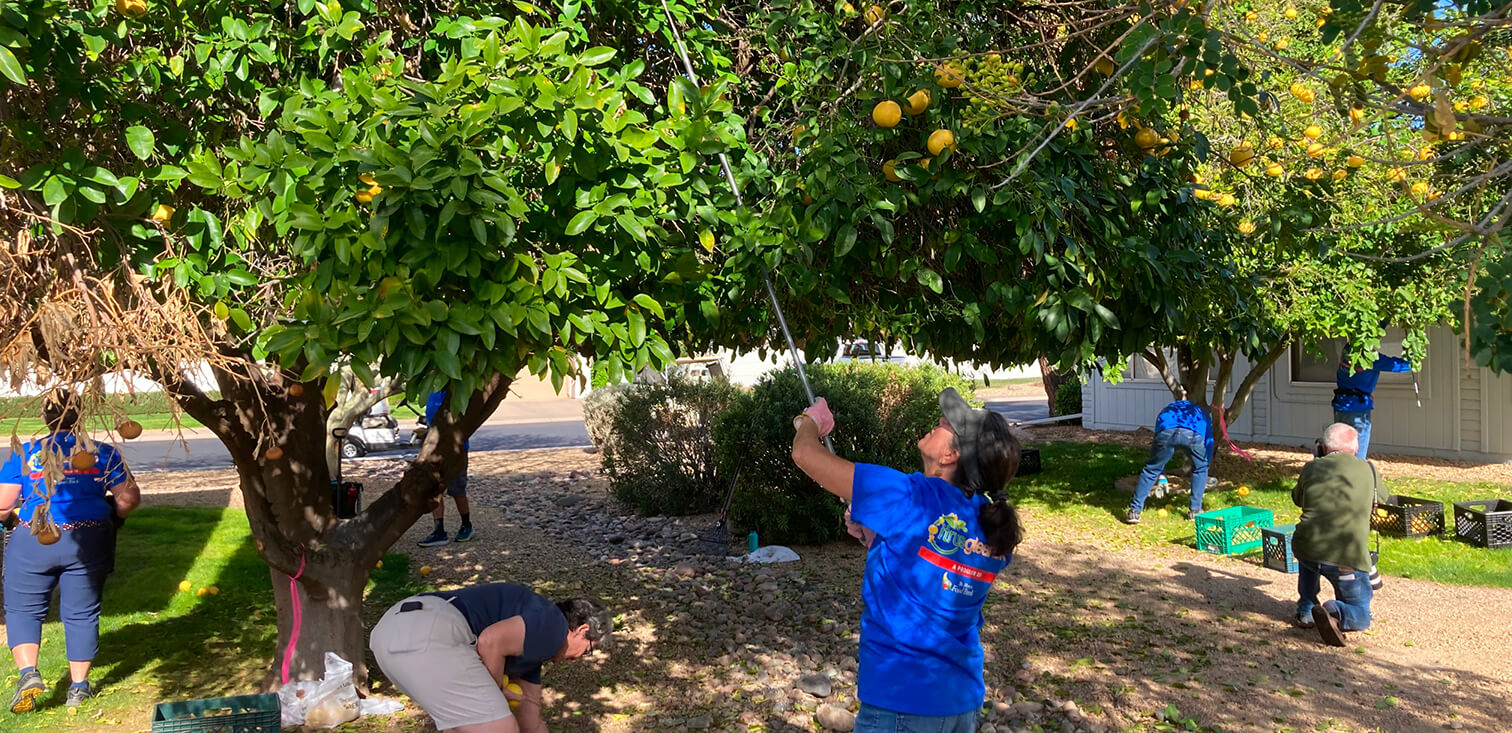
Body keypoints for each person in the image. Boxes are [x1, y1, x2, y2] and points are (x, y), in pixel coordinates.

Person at [790, 388, 1022, 732]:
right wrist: (876, 536)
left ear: (951, 455)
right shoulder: (990, 527)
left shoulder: (910, 496)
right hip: (961, 703)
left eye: (949, 424)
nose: (940, 420)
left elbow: (805, 454)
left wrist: (810, 422)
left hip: (902, 700)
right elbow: (934, 573)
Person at [0, 392, 139, 712]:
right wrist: (114, 516)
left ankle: (28, 674)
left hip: (35, 538)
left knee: (23, 609)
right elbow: (128, 497)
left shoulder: (26, 453)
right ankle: (78, 688)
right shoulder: (102, 452)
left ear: (44, 418)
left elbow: (4, 505)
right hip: (88, 539)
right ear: (81, 416)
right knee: (82, 612)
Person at [369, 582, 610, 733]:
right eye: (588, 650)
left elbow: (531, 722)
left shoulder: (532, 650)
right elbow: (490, 641)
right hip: (425, 632)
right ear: (582, 630)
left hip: (390, 636)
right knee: (500, 727)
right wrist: (495, 691)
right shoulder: (552, 626)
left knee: (461, 725)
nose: (580, 658)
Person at [1291, 423, 1384, 646]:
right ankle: (1335, 610)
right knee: (1362, 615)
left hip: (1307, 549)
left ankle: (1306, 606)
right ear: (1355, 447)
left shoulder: (1311, 468)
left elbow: (1298, 499)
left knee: (1309, 551)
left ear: (1322, 448)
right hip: (1346, 557)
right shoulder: (1368, 469)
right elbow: (1382, 498)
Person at [1125, 391, 1214, 524]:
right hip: (1193, 435)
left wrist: (1161, 474)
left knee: (1151, 469)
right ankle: (1195, 511)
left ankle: (1134, 511)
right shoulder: (1201, 413)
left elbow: (1158, 440)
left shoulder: (1166, 411)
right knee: (1200, 469)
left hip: (1166, 432)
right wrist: (1206, 462)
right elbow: (1209, 441)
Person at [1332, 347, 1412, 459]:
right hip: (1357, 408)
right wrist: (1411, 350)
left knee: (1340, 447)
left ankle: (1340, 472)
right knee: (1358, 451)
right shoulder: (1371, 358)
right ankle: (1357, 474)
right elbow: (1404, 366)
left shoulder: (1348, 350)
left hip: (1341, 404)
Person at [419, 389, 473, 547]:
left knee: (457, 490)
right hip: (435, 449)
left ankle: (466, 525)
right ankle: (439, 531)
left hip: (456, 450)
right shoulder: (431, 392)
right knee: (434, 489)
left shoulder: (453, 391)